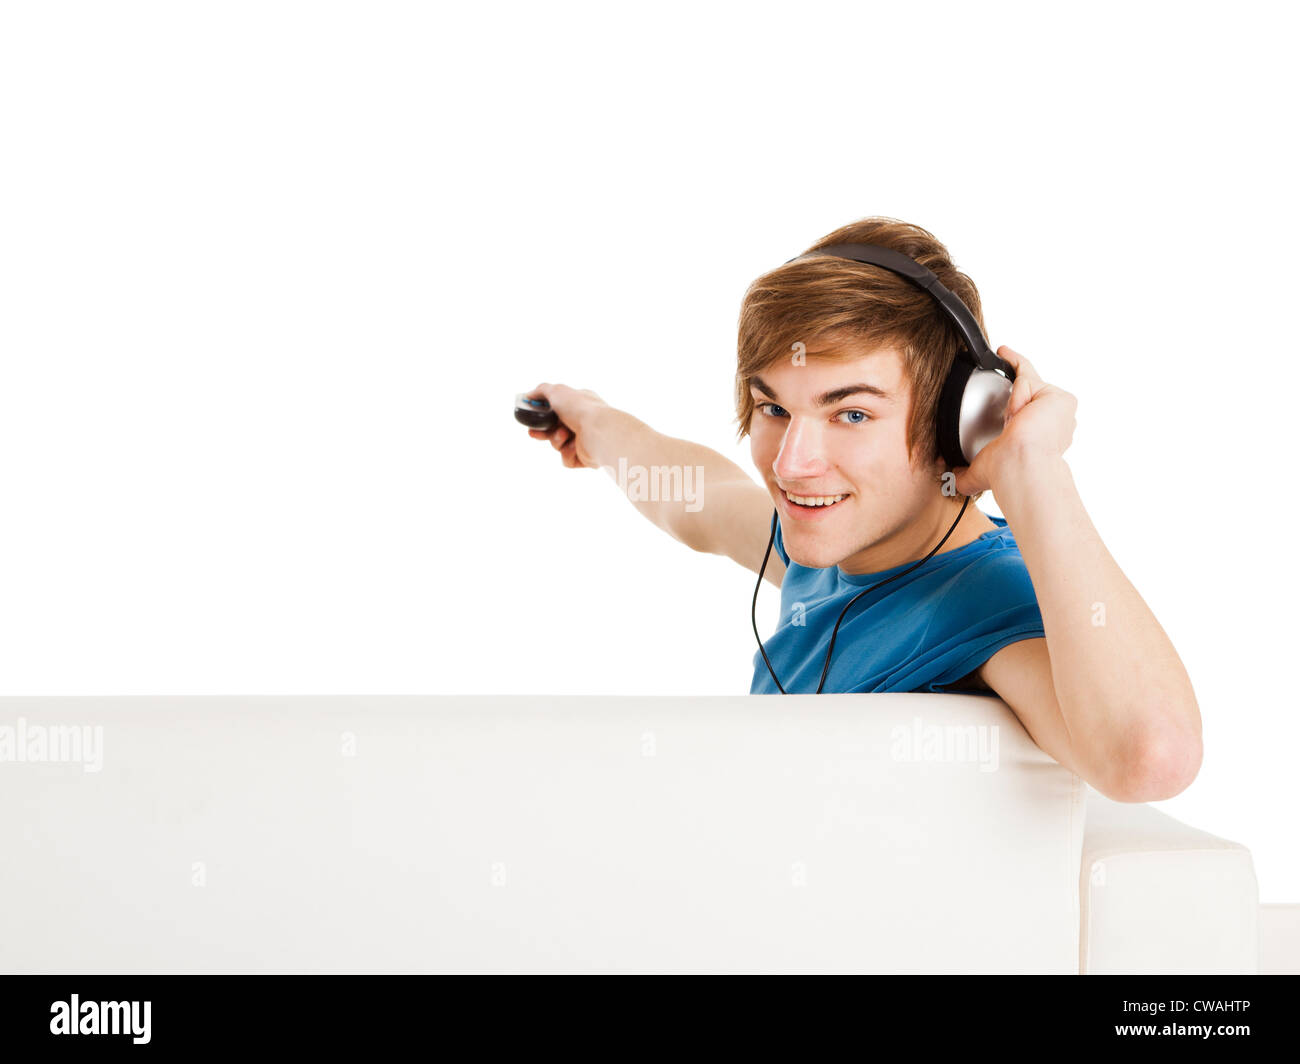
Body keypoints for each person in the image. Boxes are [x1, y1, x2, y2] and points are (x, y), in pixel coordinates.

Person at [523, 216, 1201, 803]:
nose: (791, 464)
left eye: (851, 413)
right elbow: (701, 500)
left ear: (957, 427)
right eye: (773, 408)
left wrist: (1032, 468)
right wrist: (596, 423)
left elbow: (1152, 756)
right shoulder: (835, 552)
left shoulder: (991, 606)